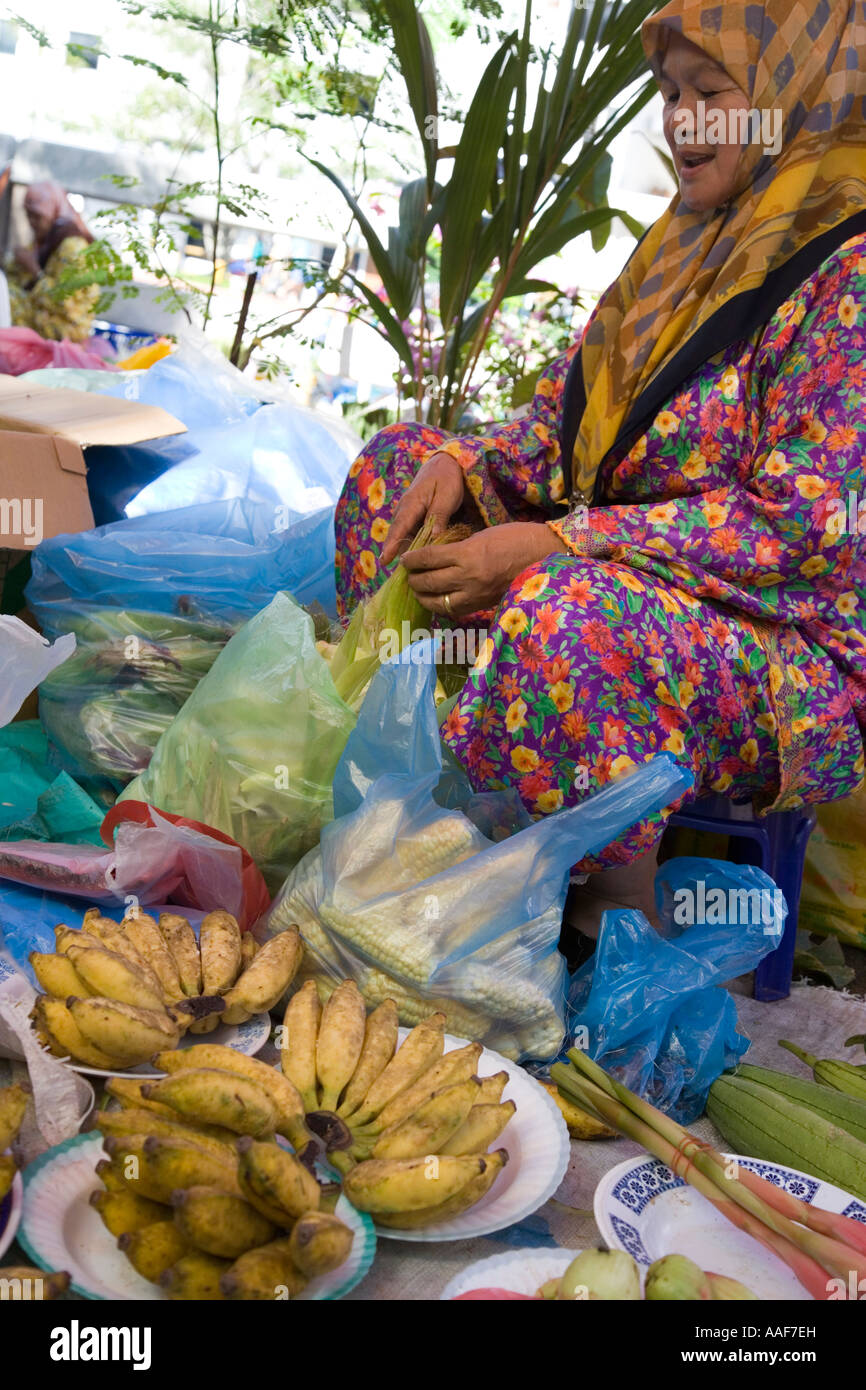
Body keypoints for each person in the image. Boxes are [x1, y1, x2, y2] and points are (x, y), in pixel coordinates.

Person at [334, 0, 866, 937]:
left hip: (783, 646)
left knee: (566, 609)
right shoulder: (685, 248)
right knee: (398, 472)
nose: (679, 118)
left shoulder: (848, 272)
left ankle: (601, 903)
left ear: (791, 99)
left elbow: (803, 521)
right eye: (668, 92)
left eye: (712, 90)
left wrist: (557, 541)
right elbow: (572, 427)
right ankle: (423, 780)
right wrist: (467, 462)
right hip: (615, 578)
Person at [8, 180, 99, 342]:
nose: (32, 222)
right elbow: (17, 279)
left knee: (8, 304)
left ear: (53, 210)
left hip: (68, 327)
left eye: (37, 216)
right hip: (45, 313)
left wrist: (34, 271)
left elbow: (65, 305)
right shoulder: (47, 240)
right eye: (28, 215)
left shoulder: (73, 247)